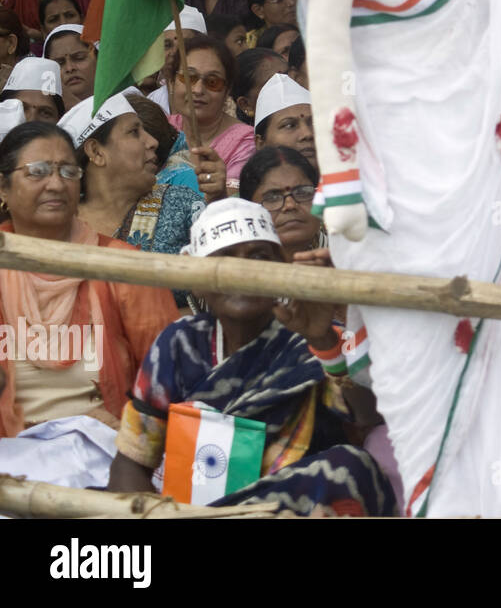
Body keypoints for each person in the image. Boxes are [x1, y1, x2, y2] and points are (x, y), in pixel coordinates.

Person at [107, 198, 396, 515]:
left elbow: (368, 418)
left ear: (279, 272)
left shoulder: (314, 336)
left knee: (350, 467)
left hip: (285, 507)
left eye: (258, 257)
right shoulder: (179, 344)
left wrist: (322, 340)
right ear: (198, 284)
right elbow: (131, 464)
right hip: (192, 511)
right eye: (224, 260)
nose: (242, 272)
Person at [0, 122, 179, 438]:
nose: (56, 184)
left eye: (68, 172)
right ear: (3, 187)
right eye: (38, 172)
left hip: (103, 455)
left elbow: (168, 382)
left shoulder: (124, 267)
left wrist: (128, 430)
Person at [59, 92, 205, 256]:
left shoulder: (182, 204)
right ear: (96, 152)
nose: (152, 142)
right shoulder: (59, 222)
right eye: (134, 132)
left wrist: (218, 197)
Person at [166, 34, 255, 183]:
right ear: (171, 82)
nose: (198, 90)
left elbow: (231, 202)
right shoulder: (161, 128)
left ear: (227, 91)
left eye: (212, 82)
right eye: (189, 77)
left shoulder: (245, 143)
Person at [44, 24, 95, 110]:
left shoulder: (121, 103)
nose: (70, 68)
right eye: (59, 63)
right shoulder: (42, 114)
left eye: (79, 58)